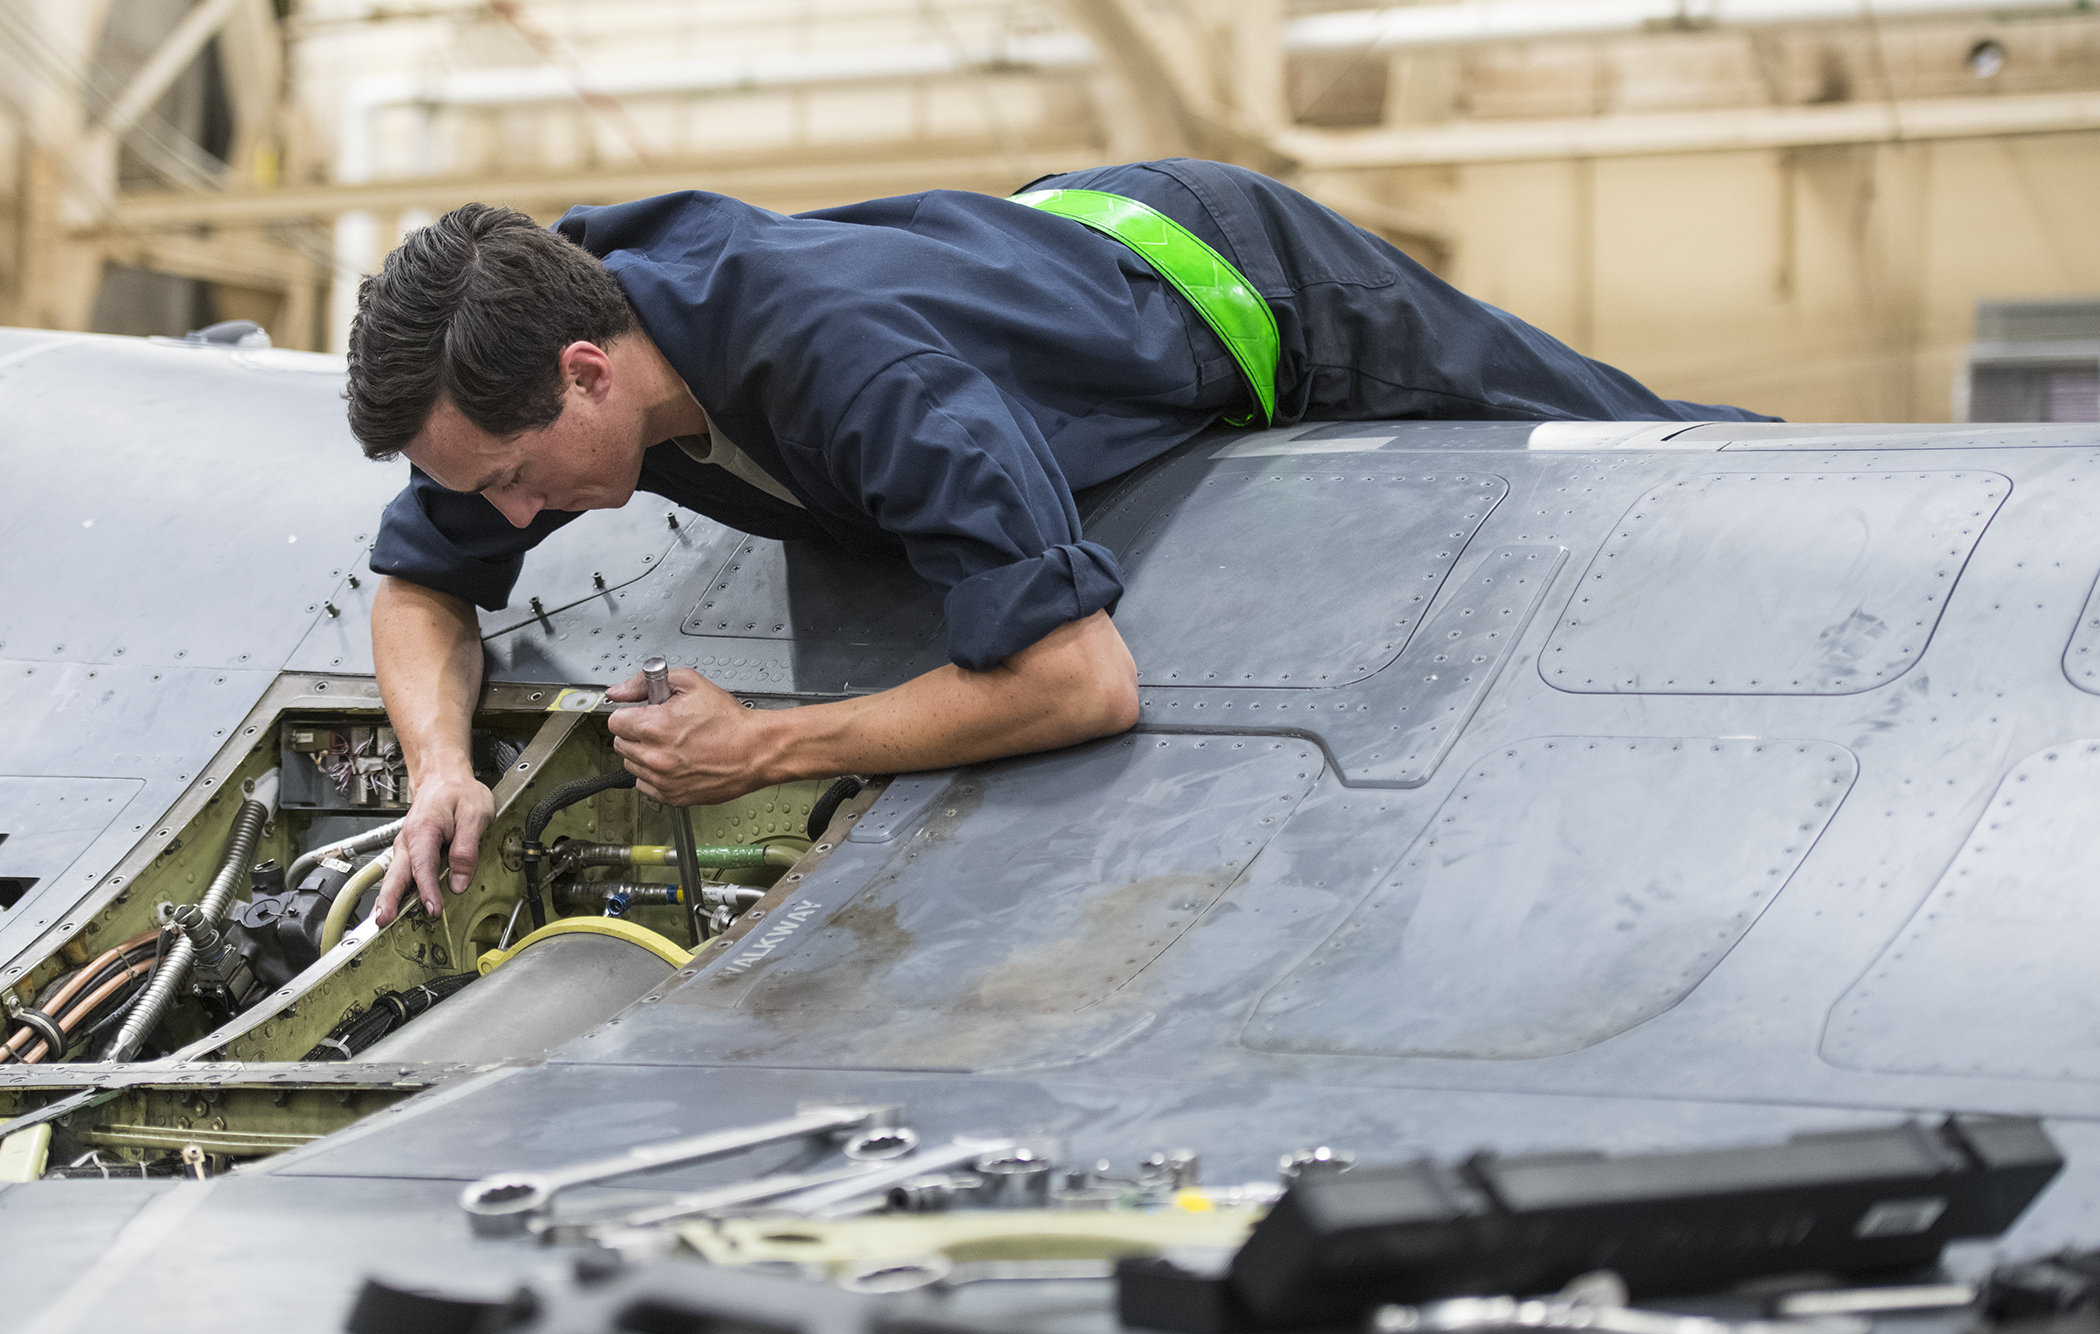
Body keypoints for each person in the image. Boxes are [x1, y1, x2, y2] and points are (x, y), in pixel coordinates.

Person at [347, 157, 1773, 925]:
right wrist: (438, 770)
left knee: (1649, 459)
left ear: (591, 373)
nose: (509, 518)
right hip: (1034, 261)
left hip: (1238, 279)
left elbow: (1081, 682)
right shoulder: (546, 326)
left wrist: (768, 747)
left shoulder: (862, 378)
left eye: (524, 479)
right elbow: (421, 575)